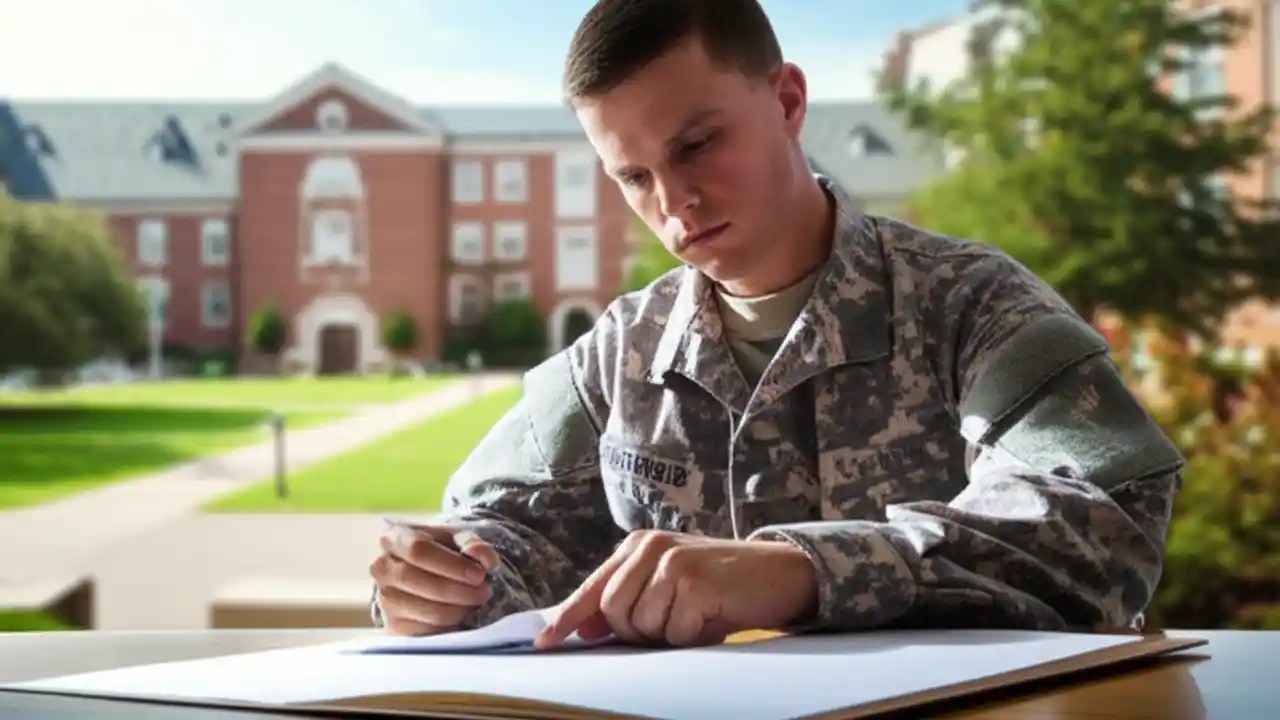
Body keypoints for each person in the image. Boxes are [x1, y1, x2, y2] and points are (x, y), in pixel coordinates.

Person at [368, 0, 1184, 649]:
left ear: (788, 101)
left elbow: (1108, 521)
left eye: (698, 145)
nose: (673, 202)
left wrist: (798, 571)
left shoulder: (970, 305)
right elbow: (499, 526)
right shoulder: (620, 356)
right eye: (634, 177)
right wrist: (449, 579)